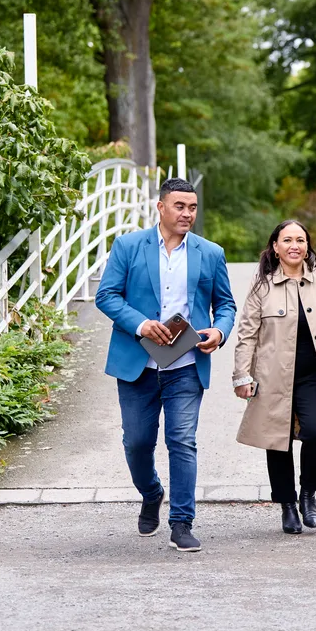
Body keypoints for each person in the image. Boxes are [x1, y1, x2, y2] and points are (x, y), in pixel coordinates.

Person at [95, 178, 237, 552]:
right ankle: (151, 492)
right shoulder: (127, 246)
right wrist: (141, 323)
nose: (187, 213)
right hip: (137, 363)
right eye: (179, 206)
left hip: (187, 363)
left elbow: (226, 305)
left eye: (192, 207)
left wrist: (219, 333)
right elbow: (106, 295)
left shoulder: (210, 252)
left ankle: (182, 522)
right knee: (138, 443)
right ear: (160, 207)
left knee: (182, 441)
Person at [233, 220, 316, 534]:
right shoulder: (262, 286)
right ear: (275, 247)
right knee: (277, 441)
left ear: (307, 245)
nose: (294, 245)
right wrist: (241, 375)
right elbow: (247, 335)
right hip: (271, 377)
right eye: (287, 240)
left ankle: (308, 492)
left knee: (315, 431)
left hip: (313, 374)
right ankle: (287, 505)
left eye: (300, 240)